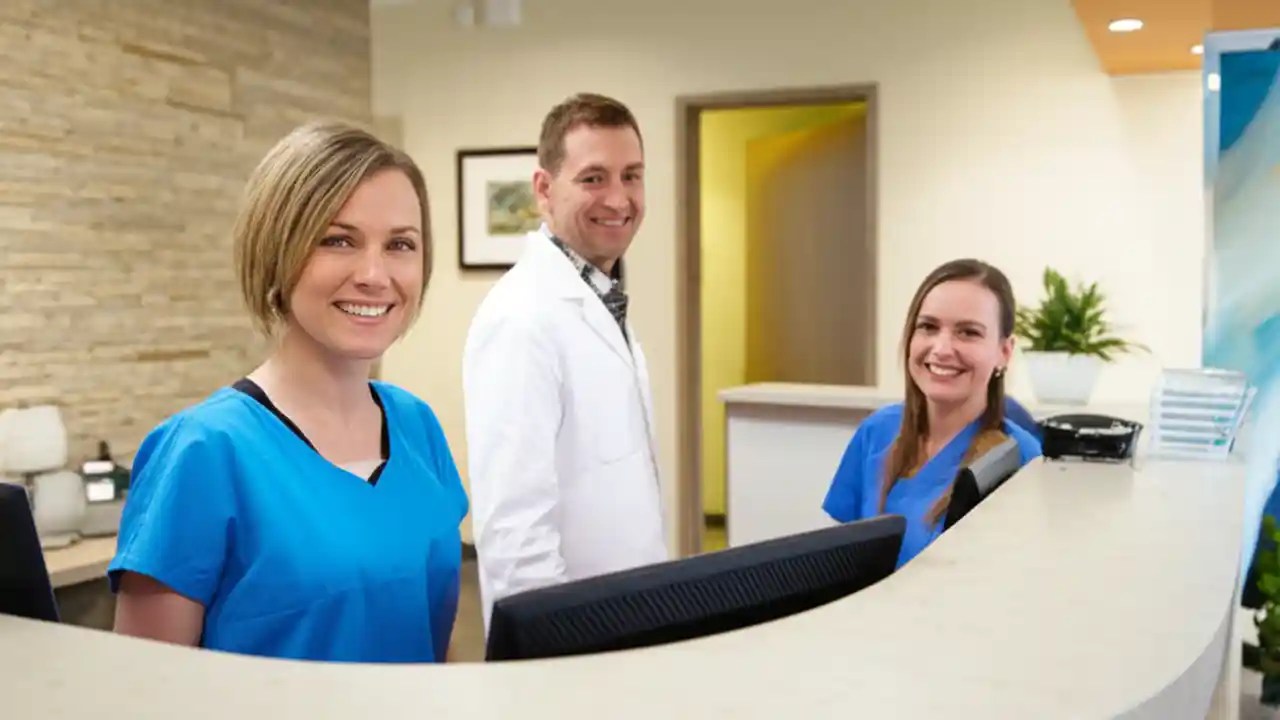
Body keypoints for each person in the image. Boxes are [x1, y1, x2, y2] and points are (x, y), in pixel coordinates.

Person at [108, 121, 469, 663]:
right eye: (338, 240)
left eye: (400, 245)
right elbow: (136, 698)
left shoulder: (417, 426)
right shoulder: (204, 451)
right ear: (279, 252)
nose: (374, 274)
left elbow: (432, 651)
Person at [462, 93, 667, 629]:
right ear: (544, 191)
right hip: (571, 644)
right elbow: (514, 531)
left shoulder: (601, 298)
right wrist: (552, 660)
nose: (619, 198)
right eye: (594, 178)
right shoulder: (521, 319)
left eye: (632, 175)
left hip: (630, 617)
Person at [822, 258, 1042, 568]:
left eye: (968, 332)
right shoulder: (876, 432)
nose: (941, 348)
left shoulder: (1022, 460)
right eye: (928, 327)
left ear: (1004, 352)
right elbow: (841, 563)